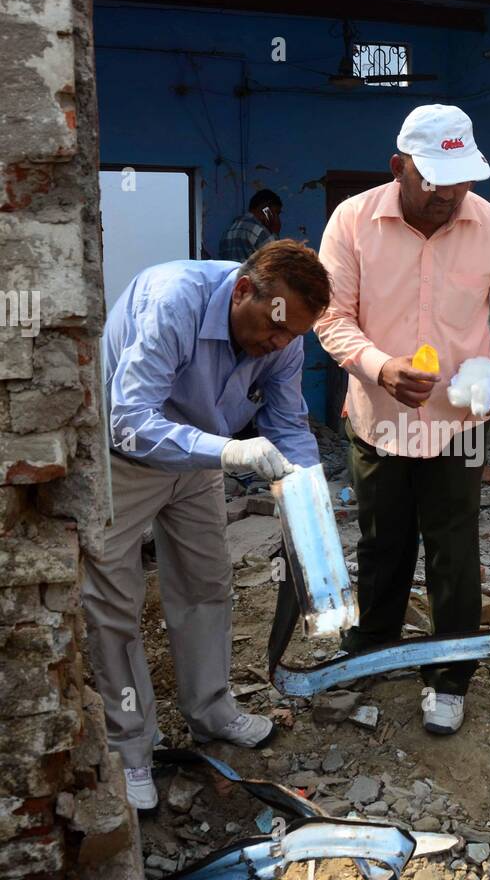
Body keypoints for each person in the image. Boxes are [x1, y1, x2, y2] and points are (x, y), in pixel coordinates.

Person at [315, 103, 490, 735]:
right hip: (378, 421)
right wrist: (380, 367)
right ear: (399, 167)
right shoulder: (353, 221)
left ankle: (449, 677)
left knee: (454, 553)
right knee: (382, 546)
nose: (450, 195)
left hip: (457, 427)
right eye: (435, 182)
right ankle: (373, 659)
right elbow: (331, 317)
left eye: (462, 180)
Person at [83, 242, 330, 811]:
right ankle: (130, 748)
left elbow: (289, 423)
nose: (279, 345)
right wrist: (228, 453)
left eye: (294, 335)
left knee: (205, 583)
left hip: (199, 458)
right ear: (243, 290)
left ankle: (212, 709)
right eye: (276, 329)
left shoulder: (283, 336)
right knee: (113, 606)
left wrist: (310, 496)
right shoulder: (175, 303)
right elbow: (130, 422)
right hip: (123, 461)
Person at [218, 189, 282, 262]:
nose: (277, 217)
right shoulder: (259, 231)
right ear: (266, 210)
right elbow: (277, 261)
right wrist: (275, 232)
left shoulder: (228, 231)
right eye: (276, 212)